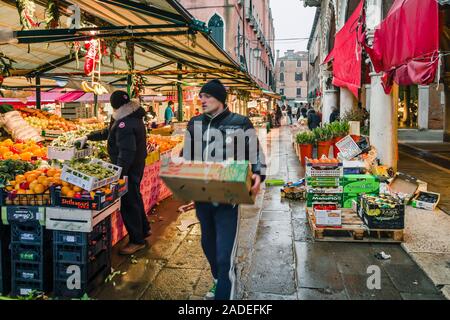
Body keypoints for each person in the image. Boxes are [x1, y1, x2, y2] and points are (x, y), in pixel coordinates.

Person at [183, 79, 266, 300]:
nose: (202, 100)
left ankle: (226, 286)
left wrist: (258, 173)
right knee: (208, 244)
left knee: (224, 256)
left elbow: (255, 153)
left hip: (229, 198)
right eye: (201, 96)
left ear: (220, 98)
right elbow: (187, 156)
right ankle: (220, 279)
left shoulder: (240, 122)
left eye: (207, 96)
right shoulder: (194, 123)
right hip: (202, 198)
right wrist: (184, 183)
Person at [81, 91, 150, 255]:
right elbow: (108, 132)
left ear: (114, 106)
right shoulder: (129, 116)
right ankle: (144, 229)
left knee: (129, 202)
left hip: (129, 168)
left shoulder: (124, 123)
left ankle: (136, 241)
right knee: (135, 196)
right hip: (135, 166)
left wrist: (118, 176)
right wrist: (88, 136)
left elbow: (126, 152)